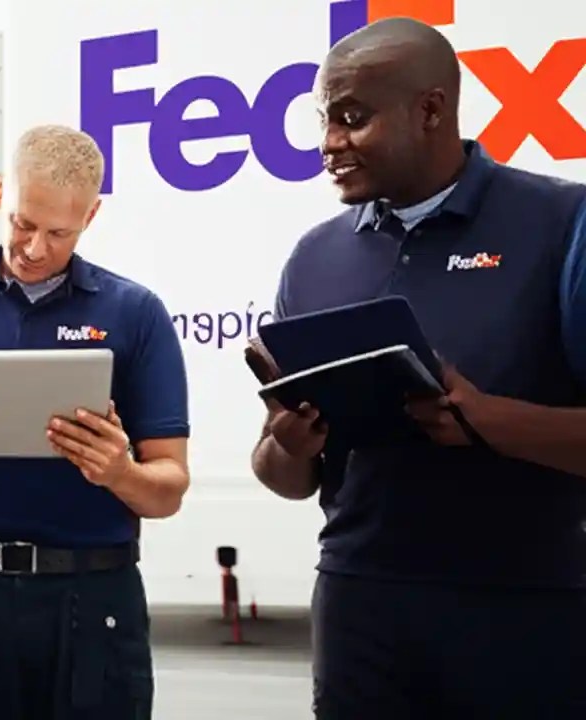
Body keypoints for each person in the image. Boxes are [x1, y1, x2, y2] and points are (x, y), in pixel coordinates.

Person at [248, 17, 586, 719]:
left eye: (352, 118)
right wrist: (287, 442)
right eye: (325, 120)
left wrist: (489, 421)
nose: (329, 144)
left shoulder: (560, 224)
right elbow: (284, 476)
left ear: (430, 110)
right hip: (358, 606)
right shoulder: (314, 257)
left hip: (528, 610)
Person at [0, 124, 192, 719]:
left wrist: (118, 471)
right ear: (1, 191)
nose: (34, 248)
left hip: (93, 598)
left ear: (92, 215)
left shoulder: (135, 315)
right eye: (22, 223)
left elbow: (168, 490)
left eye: (59, 232)